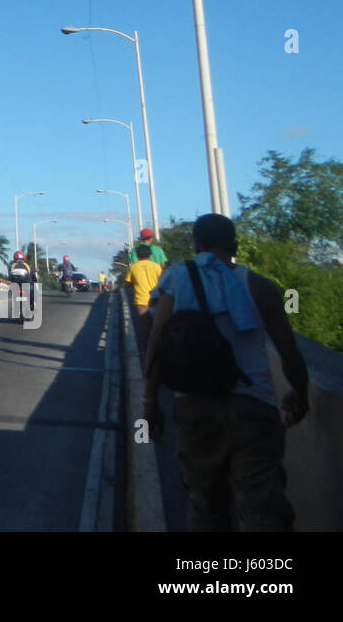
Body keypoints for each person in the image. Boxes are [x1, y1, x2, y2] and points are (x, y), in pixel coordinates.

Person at [144, 214, 310, 532]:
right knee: (264, 512)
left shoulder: (176, 280)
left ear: (196, 244)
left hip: (196, 410)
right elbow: (290, 354)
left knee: (206, 507)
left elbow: (156, 345)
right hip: (254, 410)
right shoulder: (263, 287)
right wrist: (300, 395)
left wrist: (150, 403)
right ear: (234, 245)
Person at [124, 243, 164, 354]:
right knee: (157, 326)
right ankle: (157, 350)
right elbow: (162, 283)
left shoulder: (133, 267)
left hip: (141, 301)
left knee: (145, 329)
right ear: (150, 255)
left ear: (137, 254)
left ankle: (148, 351)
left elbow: (128, 284)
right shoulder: (156, 267)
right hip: (156, 301)